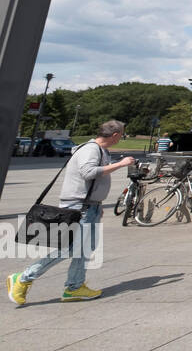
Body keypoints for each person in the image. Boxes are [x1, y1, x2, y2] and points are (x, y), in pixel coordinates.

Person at [8, 120, 135, 305]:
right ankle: (23, 278)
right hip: (79, 207)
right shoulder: (91, 149)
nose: (121, 138)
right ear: (115, 135)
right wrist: (121, 164)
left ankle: (74, 287)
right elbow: (88, 172)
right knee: (69, 248)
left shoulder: (100, 150)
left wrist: (97, 206)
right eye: (121, 134)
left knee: (85, 248)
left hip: (90, 206)